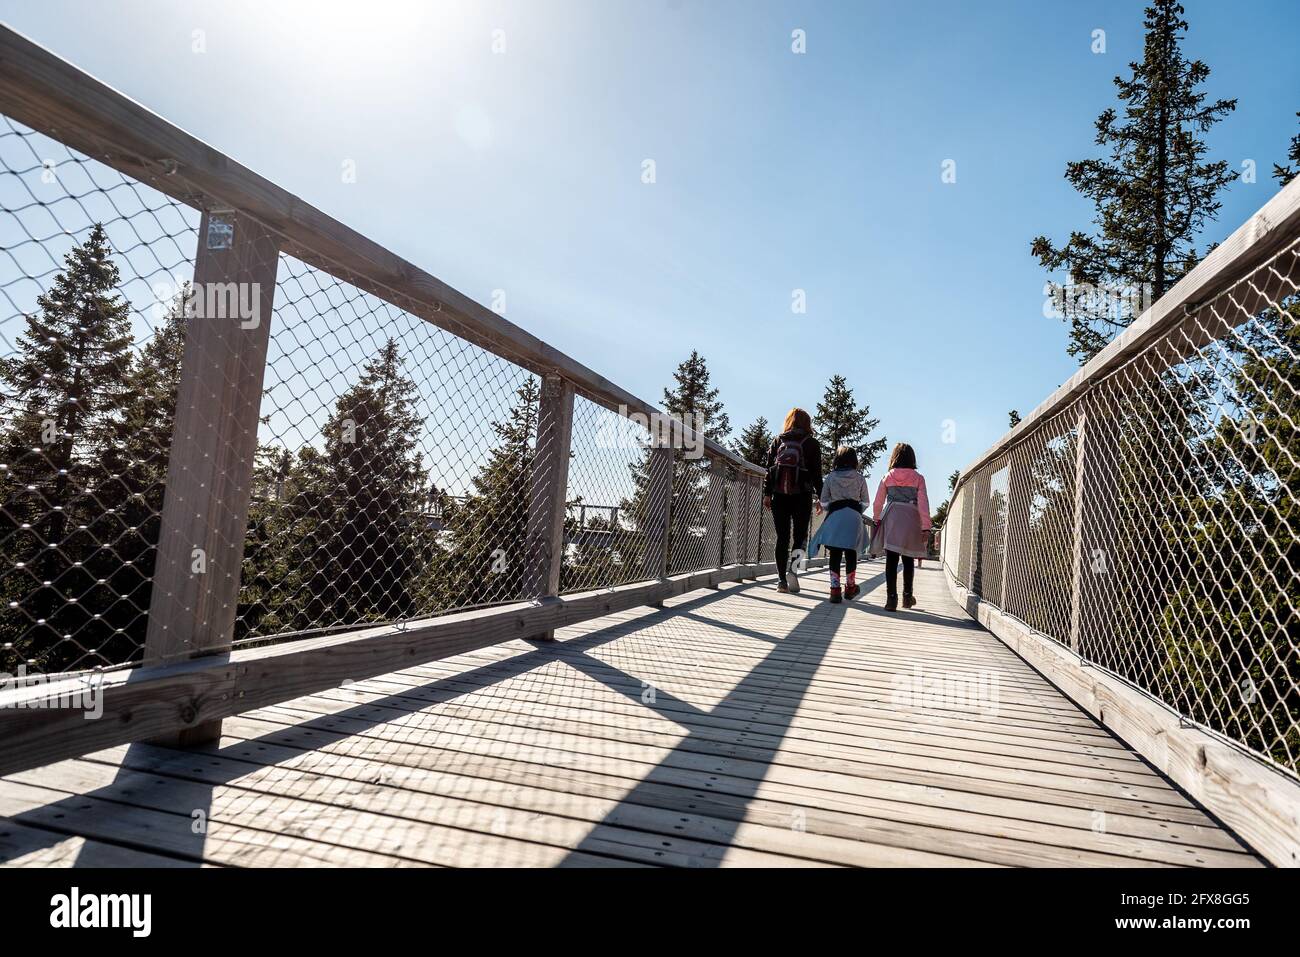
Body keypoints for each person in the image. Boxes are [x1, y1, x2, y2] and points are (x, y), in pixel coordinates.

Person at [763, 407, 823, 594]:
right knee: (800, 537)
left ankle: (781, 581)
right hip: (802, 496)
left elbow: (769, 470)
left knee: (782, 537)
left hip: (779, 496)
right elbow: (817, 475)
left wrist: (767, 493)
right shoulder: (811, 443)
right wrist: (821, 498)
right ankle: (793, 571)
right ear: (807, 424)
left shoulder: (778, 440)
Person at [870, 442, 931, 611]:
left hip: (892, 517)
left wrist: (876, 518)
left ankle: (891, 599)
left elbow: (878, 501)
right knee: (908, 558)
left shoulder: (888, 476)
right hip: (911, 518)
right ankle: (907, 597)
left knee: (891, 559)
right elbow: (924, 503)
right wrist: (926, 526)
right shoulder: (918, 478)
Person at [807, 445, 869, 603]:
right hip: (854, 517)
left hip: (835, 516)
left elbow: (824, 501)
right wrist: (856, 510)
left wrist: (832, 508)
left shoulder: (830, 477)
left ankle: (834, 590)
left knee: (835, 553)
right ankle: (850, 587)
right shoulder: (860, 478)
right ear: (854, 460)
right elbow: (866, 501)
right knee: (850, 552)